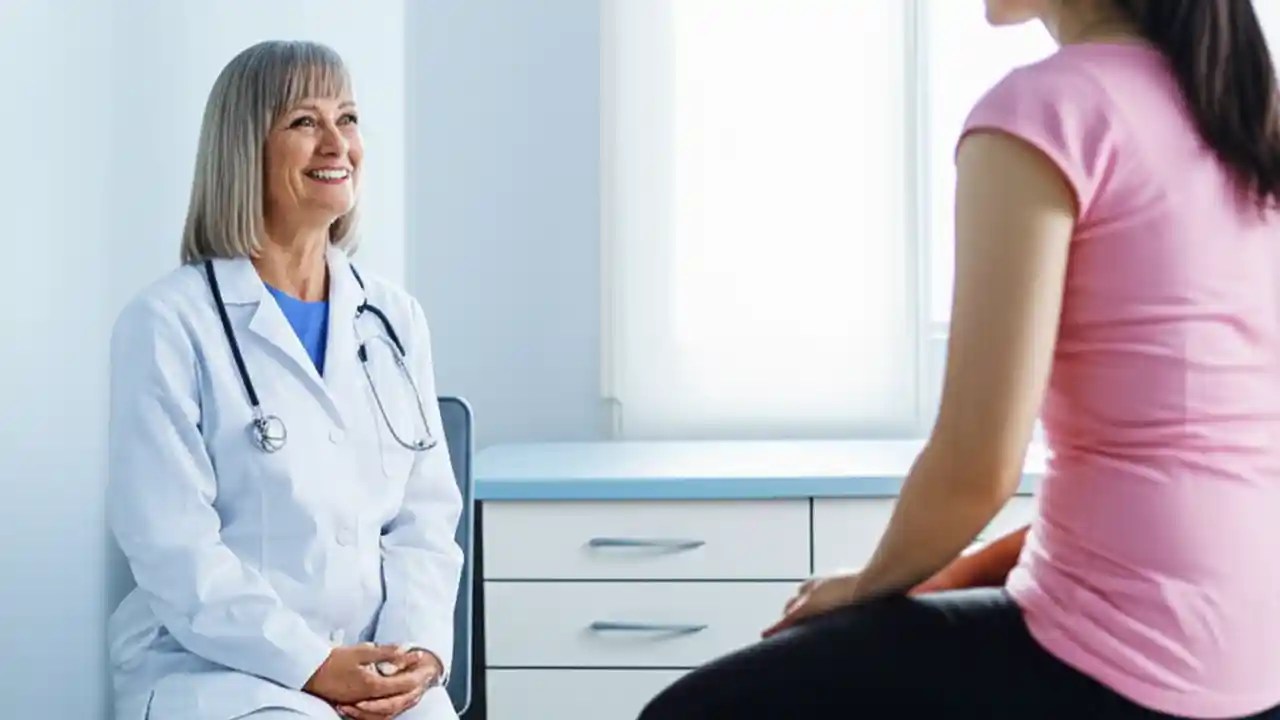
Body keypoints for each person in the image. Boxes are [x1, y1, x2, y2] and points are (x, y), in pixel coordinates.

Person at [640, 0, 1280, 717]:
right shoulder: (1242, 117)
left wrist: (867, 586)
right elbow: (1193, 472)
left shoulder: (1047, 110)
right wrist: (948, 574)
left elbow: (977, 467)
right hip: (1255, 665)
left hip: (1118, 664)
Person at [106, 41, 463, 720]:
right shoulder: (166, 322)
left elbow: (424, 519)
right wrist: (313, 666)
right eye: (305, 122)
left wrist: (414, 655)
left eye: (349, 118)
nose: (338, 143)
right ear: (247, 149)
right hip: (220, 671)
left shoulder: (392, 318)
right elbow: (172, 546)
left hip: (374, 660)